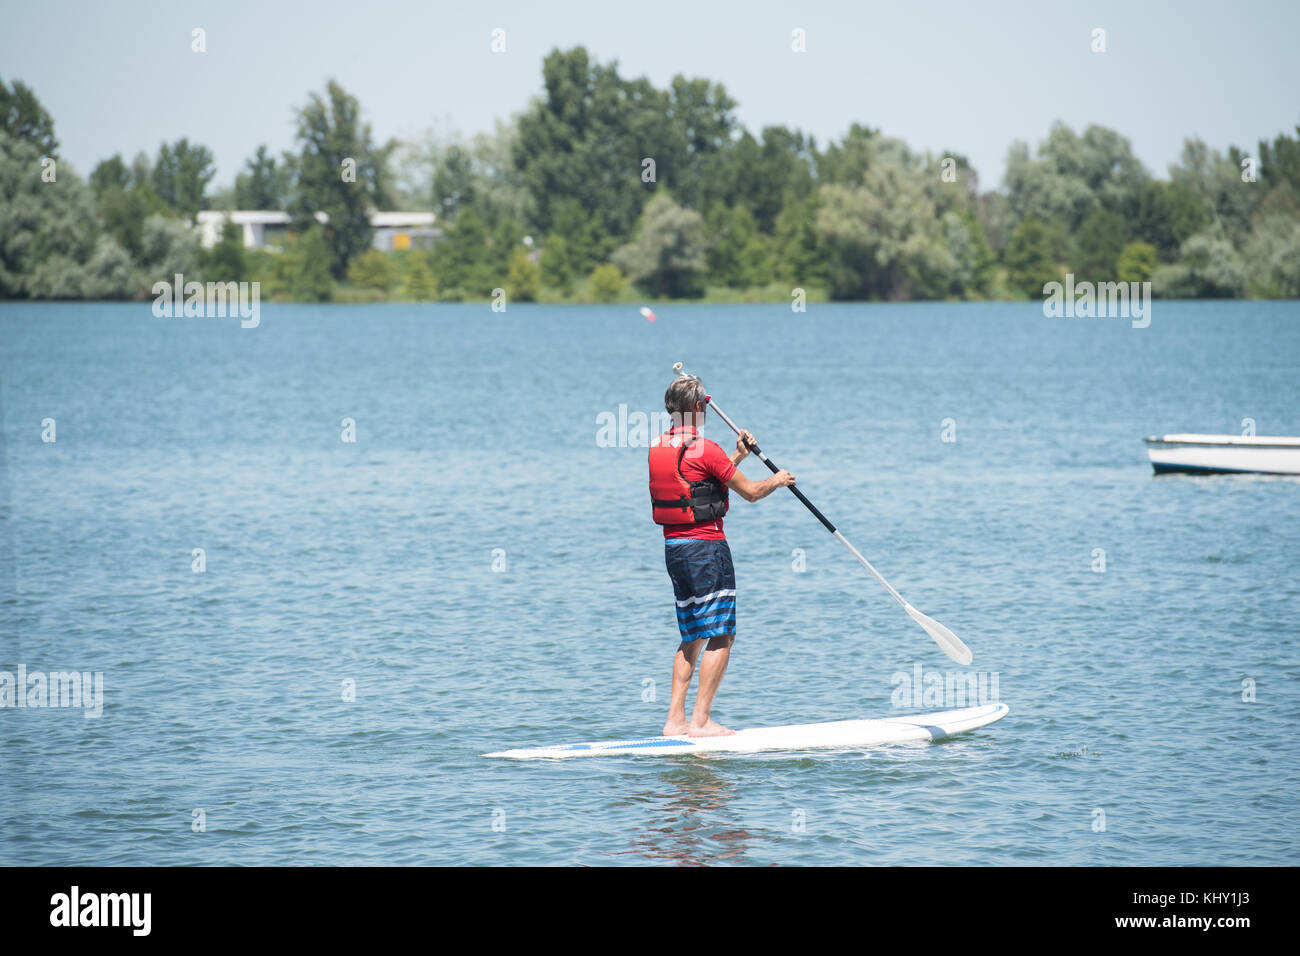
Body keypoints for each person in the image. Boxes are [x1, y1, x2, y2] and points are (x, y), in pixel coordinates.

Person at [649, 374, 795, 737]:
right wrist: (777, 481)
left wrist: (738, 456)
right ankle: (700, 721)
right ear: (699, 407)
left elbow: (699, 480)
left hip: (675, 551)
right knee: (721, 634)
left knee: (692, 635)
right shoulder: (706, 448)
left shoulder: (659, 446)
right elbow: (751, 493)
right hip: (706, 550)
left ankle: (675, 721)